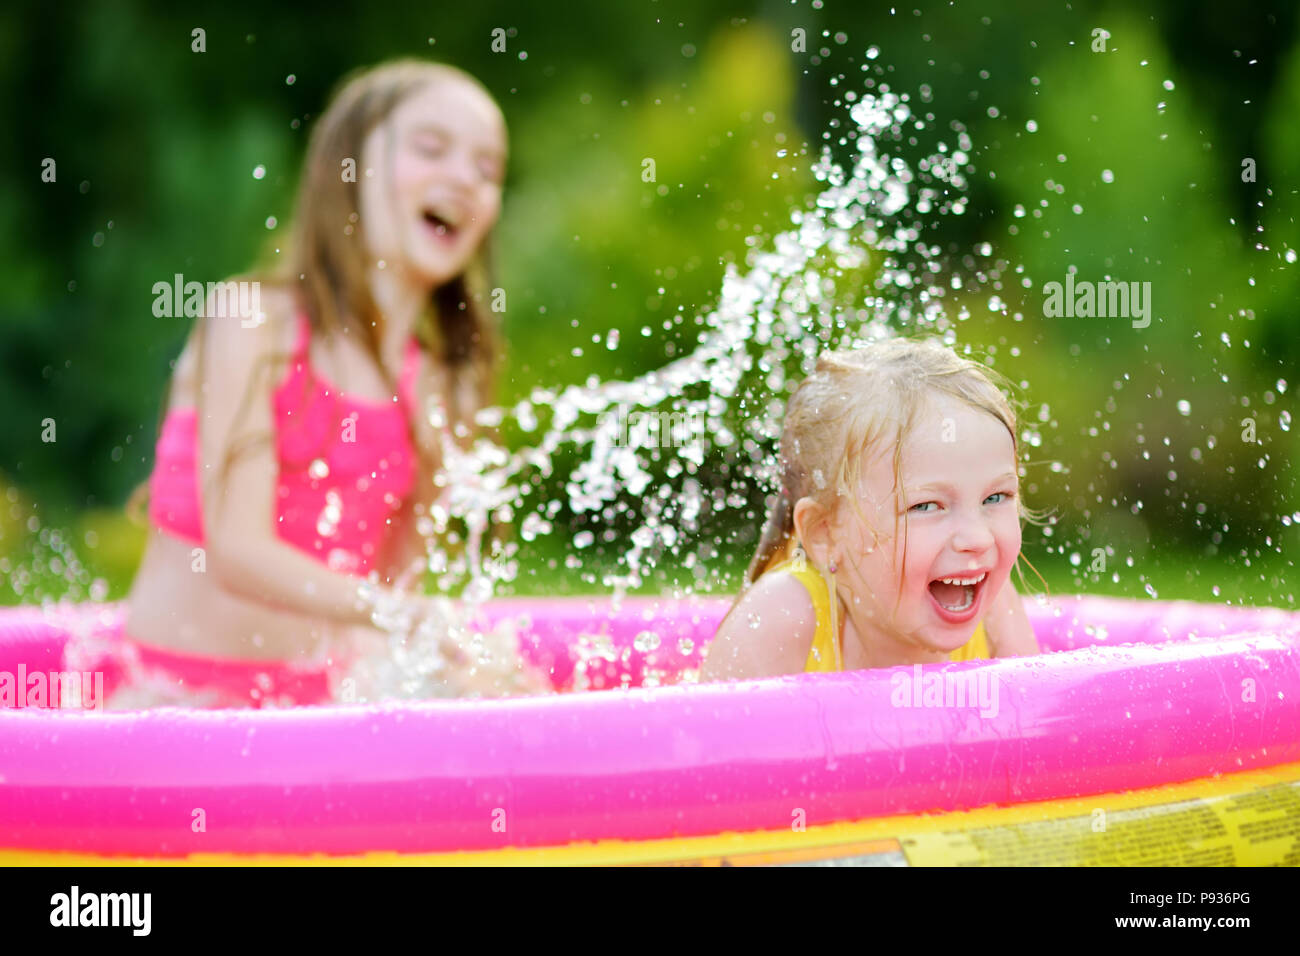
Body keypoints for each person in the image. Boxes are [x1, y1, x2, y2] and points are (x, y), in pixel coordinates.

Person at [120, 59, 531, 706]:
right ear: (350, 169)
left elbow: (391, 594)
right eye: (431, 149)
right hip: (169, 695)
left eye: (488, 169)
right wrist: (406, 614)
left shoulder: (439, 388)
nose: (463, 178)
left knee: (515, 693)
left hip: (316, 706)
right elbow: (237, 550)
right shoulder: (254, 325)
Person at [702, 337, 1041, 681]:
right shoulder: (781, 618)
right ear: (825, 533)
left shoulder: (993, 613)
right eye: (926, 506)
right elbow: (707, 734)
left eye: (995, 497)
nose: (977, 539)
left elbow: (1036, 724)